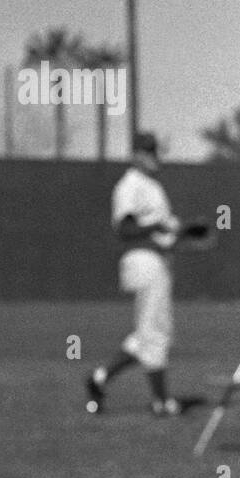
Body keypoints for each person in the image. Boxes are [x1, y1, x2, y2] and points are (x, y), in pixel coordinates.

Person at [85, 131, 184, 417]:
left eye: (155, 151)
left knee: (147, 332)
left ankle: (99, 378)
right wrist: (157, 229)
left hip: (158, 260)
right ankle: (161, 401)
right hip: (143, 260)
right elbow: (124, 228)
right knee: (156, 330)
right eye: (148, 151)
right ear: (136, 155)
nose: (155, 157)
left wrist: (184, 233)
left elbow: (162, 228)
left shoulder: (153, 187)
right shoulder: (129, 185)